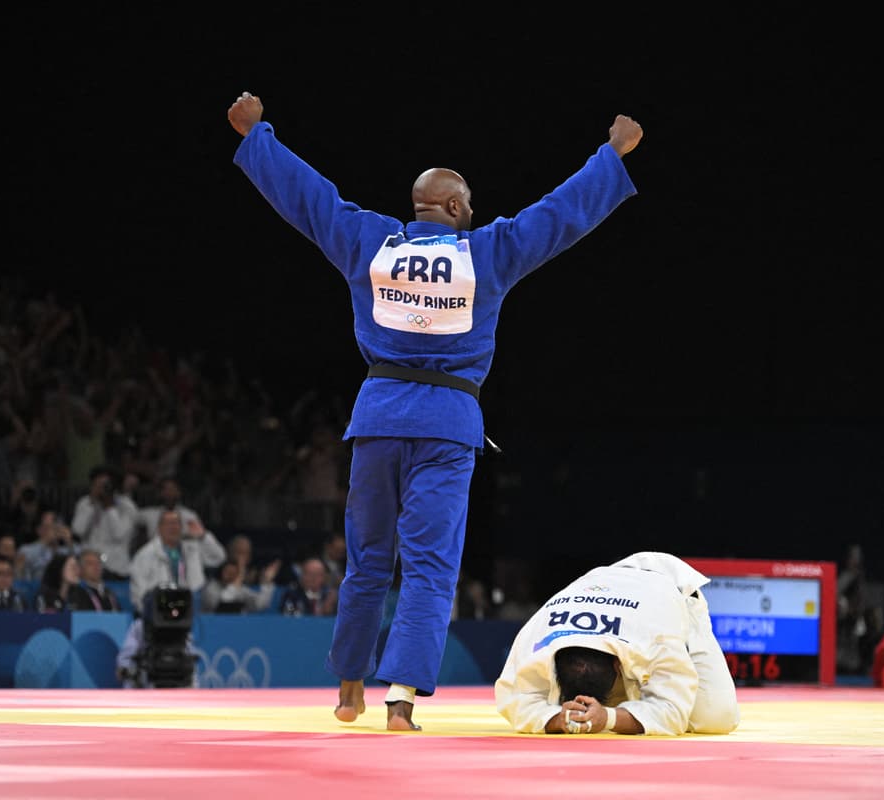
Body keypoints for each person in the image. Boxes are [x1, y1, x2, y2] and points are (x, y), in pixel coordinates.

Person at [227, 91, 643, 731]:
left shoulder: (372, 242)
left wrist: (258, 137)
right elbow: (559, 214)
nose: (473, 212)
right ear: (452, 208)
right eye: (468, 204)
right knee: (429, 566)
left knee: (367, 559)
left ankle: (348, 690)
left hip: (379, 417)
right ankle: (400, 701)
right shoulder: (487, 253)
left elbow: (309, 199)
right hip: (446, 425)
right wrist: (610, 155)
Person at [494, 552, 739, 736]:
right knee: (610, 706)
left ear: (618, 664)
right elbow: (511, 699)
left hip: (672, 587)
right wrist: (558, 718)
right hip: (606, 580)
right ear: (553, 663)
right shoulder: (538, 636)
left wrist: (609, 718)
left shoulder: (657, 635)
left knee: (715, 718)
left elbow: (673, 710)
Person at [128, 509, 205, 613]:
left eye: (176, 523)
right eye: (168, 524)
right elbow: (138, 593)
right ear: (159, 528)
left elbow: (218, 557)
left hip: (186, 613)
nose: (173, 527)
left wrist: (203, 536)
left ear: (181, 527)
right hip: (157, 614)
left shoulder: (190, 549)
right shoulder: (144, 555)